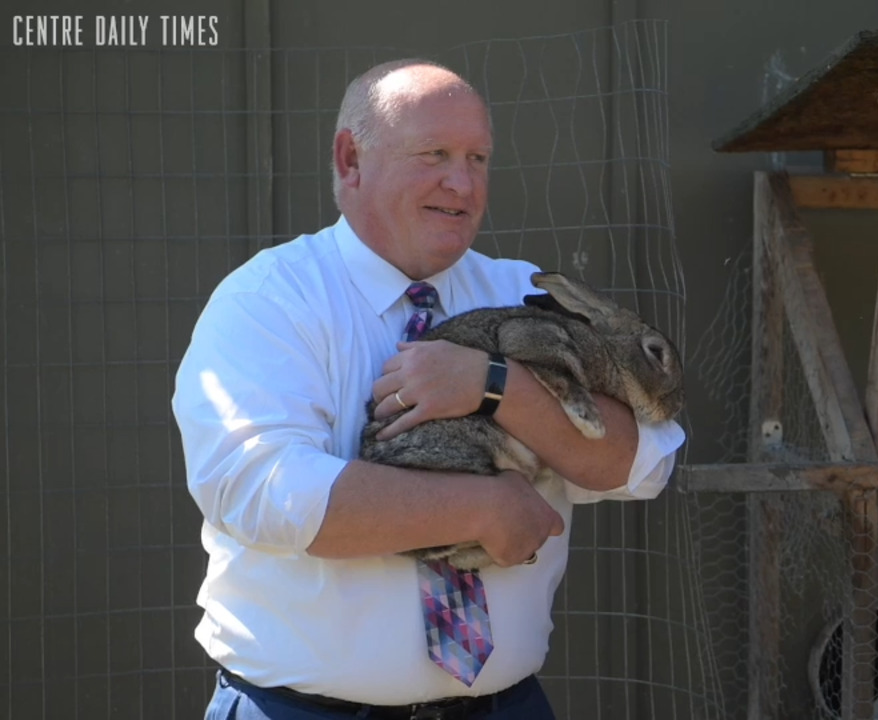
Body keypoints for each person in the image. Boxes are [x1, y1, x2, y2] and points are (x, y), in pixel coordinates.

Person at [172, 59, 685, 719]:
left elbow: (641, 464)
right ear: (351, 159)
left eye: (478, 158)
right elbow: (264, 492)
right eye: (433, 155)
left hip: (502, 707)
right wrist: (482, 511)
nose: (462, 183)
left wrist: (495, 387)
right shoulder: (270, 300)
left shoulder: (520, 291)